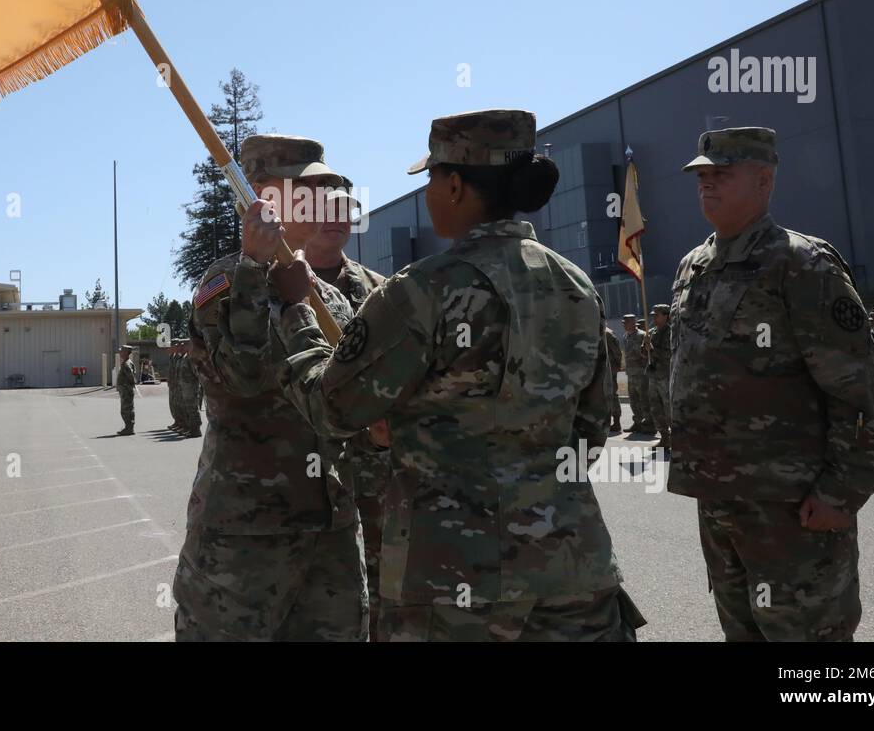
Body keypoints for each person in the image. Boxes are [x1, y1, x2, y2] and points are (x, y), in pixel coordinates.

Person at [270, 109, 642, 642]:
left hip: (452, 581)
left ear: (455, 185)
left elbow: (333, 407)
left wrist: (295, 311)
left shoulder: (420, 289)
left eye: (430, 182)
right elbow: (591, 428)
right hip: (570, 568)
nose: (427, 196)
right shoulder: (576, 285)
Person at [667, 127, 874, 642]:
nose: (707, 185)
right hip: (721, 500)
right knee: (742, 631)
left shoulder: (800, 262)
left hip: (793, 507)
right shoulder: (693, 266)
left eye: (721, 174)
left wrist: (842, 490)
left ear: (764, 179)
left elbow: (861, 391)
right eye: (702, 176)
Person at [173, 135, 366, 641]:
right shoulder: (225, 281)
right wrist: (257, 270)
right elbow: (241, 378)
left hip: (332, 524)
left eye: (325, 188)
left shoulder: (329, 293)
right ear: (259, 195)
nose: (321, 200)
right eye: (305, 188)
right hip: (244, 532)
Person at [302, 181, 391, 639]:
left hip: (376, 475)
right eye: (327, 209)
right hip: (304, 476)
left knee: (384, 584)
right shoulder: (280, 284)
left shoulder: (381, 289)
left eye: (347, 210)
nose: (339, 219)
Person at [619, 314, 651, 434]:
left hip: (641, 373)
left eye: (626, 322)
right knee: (634, 400)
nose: (624, 325)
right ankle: (637, 422)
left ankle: (649, 423)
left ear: (633, 322)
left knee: (644, 399)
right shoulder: (625, 336)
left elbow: (648, 354)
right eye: (623, 323)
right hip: (631, 373)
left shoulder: (642, 335)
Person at [647, 305, 672, 447]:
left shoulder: (671, 332)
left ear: (665, 315)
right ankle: (664, 437)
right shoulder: (651, 332)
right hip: (654, 375)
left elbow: (668, 354)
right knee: (656, 408)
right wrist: (645, 348)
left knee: (669, 408)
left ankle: (676, 437)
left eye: (657, 315)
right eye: (653, 315)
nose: (654, 318)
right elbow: (645, 354)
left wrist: (652, 349)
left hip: (666, 375)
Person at [173, 340, 203, 438]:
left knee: (193, 408)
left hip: (191, 388)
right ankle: (191, 428)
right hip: (184, 388)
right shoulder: (184, 358)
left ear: (190, 345)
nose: (182, 347)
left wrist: (197, 386)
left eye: (184, 345)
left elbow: (197, 373)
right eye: (181, 345)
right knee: (187, 409)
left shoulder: (191, 358)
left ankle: (196, 430)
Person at [604, 325, 624, 434]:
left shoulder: (607, 333)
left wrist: (617, 365)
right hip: (602, 369)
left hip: (610, 368)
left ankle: (617, 422)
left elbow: (617, 351)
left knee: (612, 394)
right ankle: (607, 422)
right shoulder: (597, 331)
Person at [115, 346, 136, 436]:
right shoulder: (126, 362)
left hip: (126, 391)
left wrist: (127, 386)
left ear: (126, 352)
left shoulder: (127, 363)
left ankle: (129, 428)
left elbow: (131, 377)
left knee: (126, 409)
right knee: (126, 409)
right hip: (125, 390)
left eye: (122, 351)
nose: (120, 353)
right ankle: (128, 427)